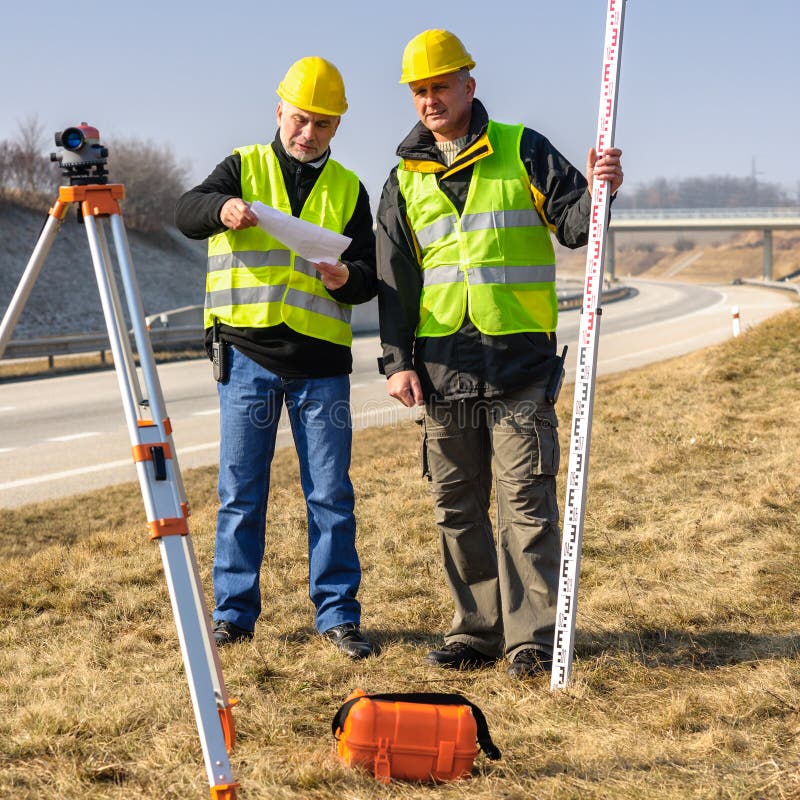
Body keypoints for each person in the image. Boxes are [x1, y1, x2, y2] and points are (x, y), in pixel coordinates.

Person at [377, 30, 623, 678]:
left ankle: (531, 641)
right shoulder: (402, 179)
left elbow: (574, 222)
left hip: (518, 364)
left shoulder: (523, 148)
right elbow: (394, 279)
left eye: (441, 86)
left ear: (468, 86)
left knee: (525, 504)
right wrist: (395, 361)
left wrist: (599, 189)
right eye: (420, 90)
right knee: (456, 505)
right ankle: (477, 632)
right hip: (442, 370)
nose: (431, 99)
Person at [175, 56, 376, 659]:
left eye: (321, 123)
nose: (306, 132)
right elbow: (188, 211)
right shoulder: (242, 167)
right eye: (299, 119)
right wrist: (221, 210)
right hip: (247, 355)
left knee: (331, 495)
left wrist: (347, 278)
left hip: (321, 367)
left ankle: (338, 616)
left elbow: (370, 276)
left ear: (336, 127)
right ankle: (233, 616)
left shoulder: (350, 189)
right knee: (241, 491)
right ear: (279, 111)